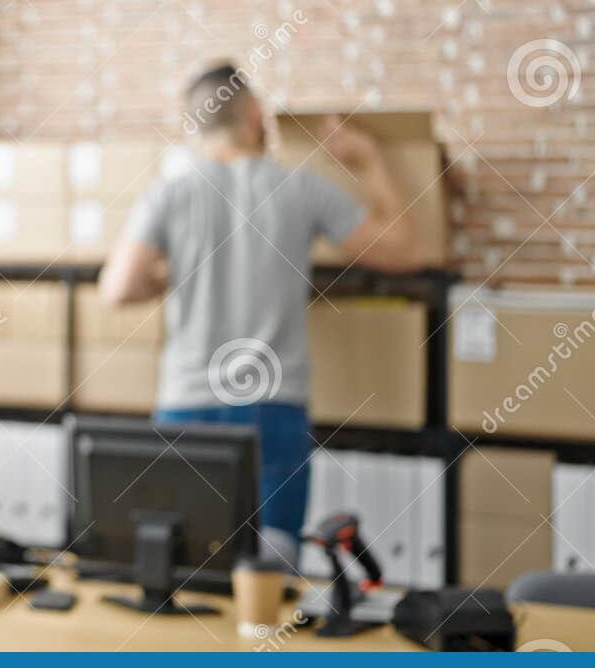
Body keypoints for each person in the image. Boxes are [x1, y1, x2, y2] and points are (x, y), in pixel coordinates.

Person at [97, 64, 423, 564]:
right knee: (269, 574)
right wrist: (369, 161)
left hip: (187, 403)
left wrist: (177, 272)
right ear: (254, 116)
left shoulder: (170, 191)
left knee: (188, 565)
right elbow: (402, 250)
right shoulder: (300, 187)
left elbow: (117, 288)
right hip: (272, 406)